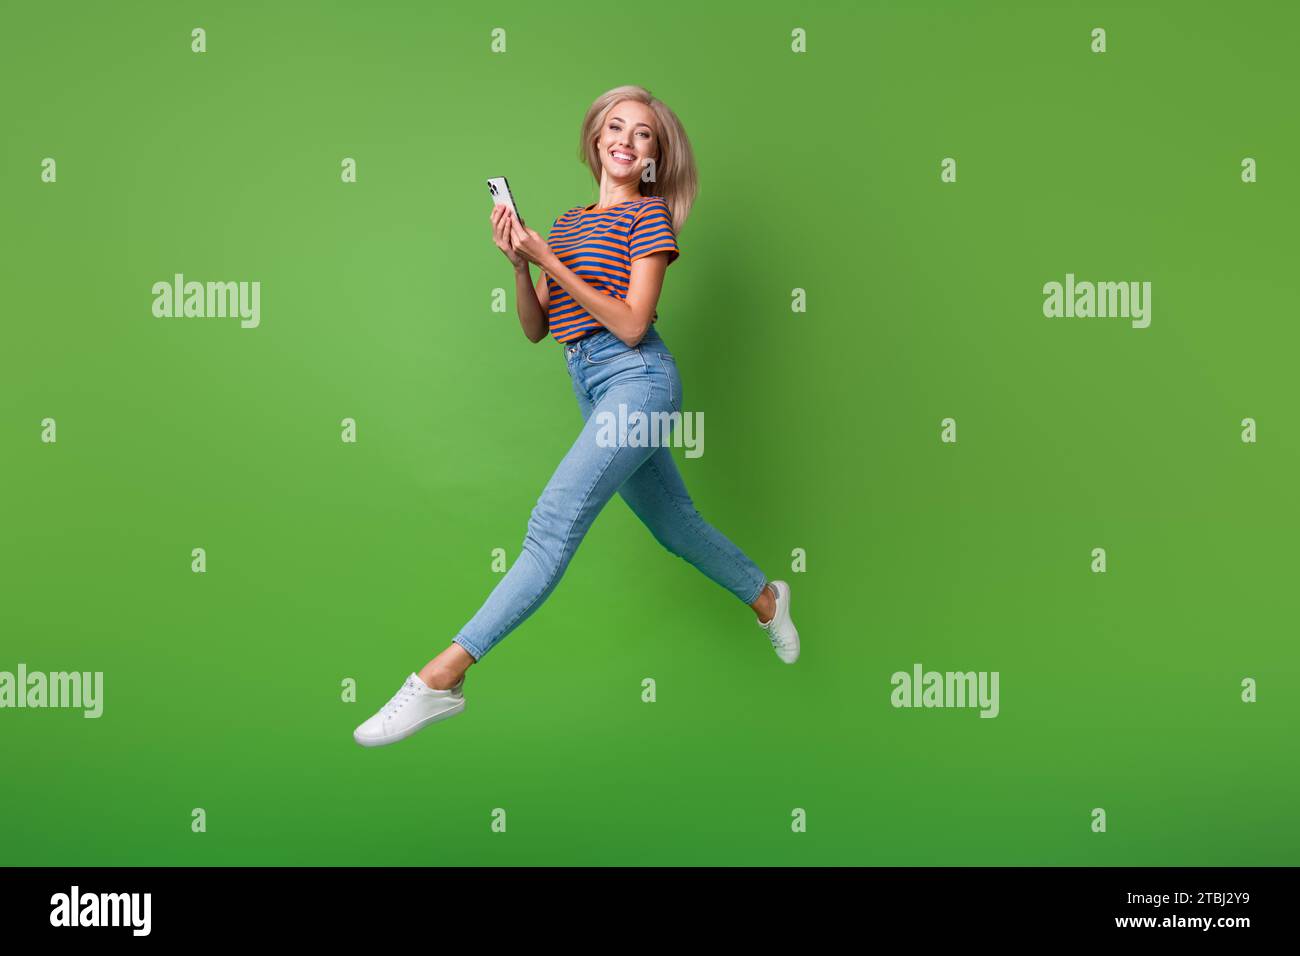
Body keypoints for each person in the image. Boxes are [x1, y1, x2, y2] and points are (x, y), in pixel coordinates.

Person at [354, 85, 799, 748]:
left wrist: (546, 259)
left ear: (653, 155)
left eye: (642, 133)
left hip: (639, 380)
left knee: (550, 528)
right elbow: (538, 328)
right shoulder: (565, 223)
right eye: (615, 126)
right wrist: (517, 263)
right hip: (590, 384)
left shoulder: (649, 219)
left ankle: (441, 677)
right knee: (676, 526)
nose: (625, 138)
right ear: (596, 140)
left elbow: (630, 323)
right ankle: (767, 598)